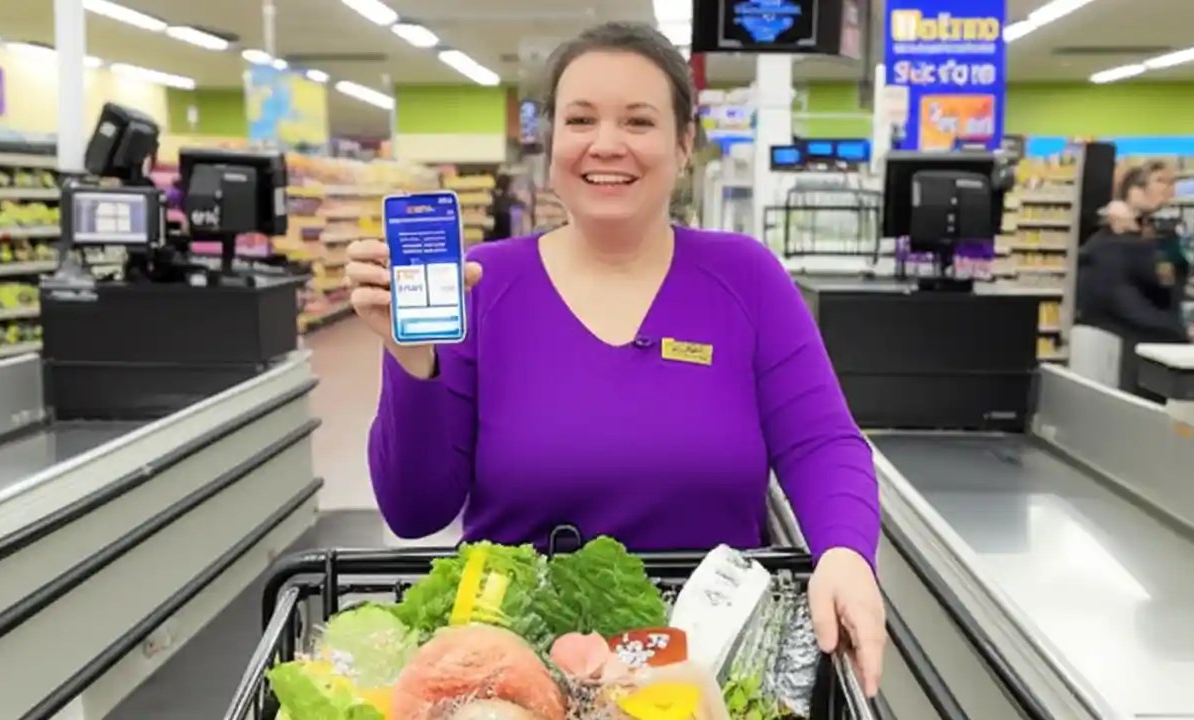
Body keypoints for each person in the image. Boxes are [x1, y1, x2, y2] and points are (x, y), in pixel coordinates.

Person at [346, 22, 885, 695]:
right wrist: (412, 359)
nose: (606, 144)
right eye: (580, 119)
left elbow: (822, 442)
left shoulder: (745, 279)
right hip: (513, 673)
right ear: (550, 143)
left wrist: (845, 552)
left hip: (706, 665)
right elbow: (415, 509)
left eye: (638, 120)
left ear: (684, 143)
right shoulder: (481, 286)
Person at [1077, 165, 1189, 394]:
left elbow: (1172, 281)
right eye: (1161, 181)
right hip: (1132, 347)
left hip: (1159, 345)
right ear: (1134, 191)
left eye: (1172, 182)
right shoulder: (1109, 243)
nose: (1170, 189)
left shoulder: (1163, 238)